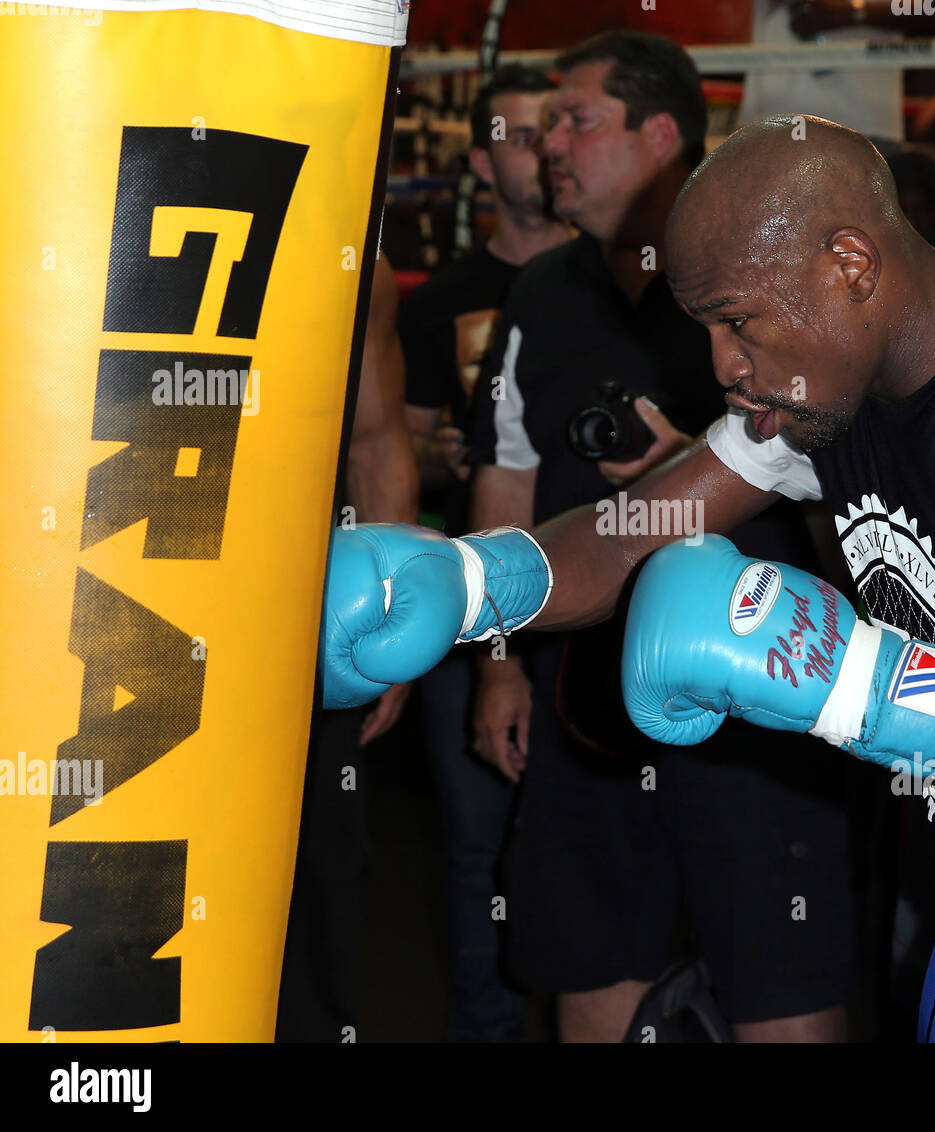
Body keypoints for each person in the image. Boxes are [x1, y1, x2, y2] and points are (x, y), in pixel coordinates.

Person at [321, 114, 935, 1043]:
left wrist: (838, 676)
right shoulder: (824, 393)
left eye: (739, 322)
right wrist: (474, 578)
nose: (725, 368)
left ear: (850, 266)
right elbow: (625, 537)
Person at [465, 31, 857, 1043]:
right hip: (581, 701)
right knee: (585, 967)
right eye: (545, 120)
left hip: (761, 703)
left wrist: (706, 469)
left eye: (576, 119)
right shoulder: (538, 296)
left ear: (662, 135)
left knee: (783, 986)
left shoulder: (771, 287)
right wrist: (496, 659)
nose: (549, 140)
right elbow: (505, 477)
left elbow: (854, 492)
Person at [398, 64, 571, 1043]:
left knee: (603, 836)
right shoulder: (444, 299)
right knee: (477, 848)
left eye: (555, 128)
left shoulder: (617, 278)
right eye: (516, 134)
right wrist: (449, 452)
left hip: (595, 599)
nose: (540, 150)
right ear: (478, 158)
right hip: (470, 608)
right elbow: (397, 440)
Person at [278, 251, 419, 1041]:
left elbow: (373, 438)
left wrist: (388, 617)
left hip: (298, 626)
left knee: (316, 890)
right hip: (85, 616)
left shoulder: (343, 252)